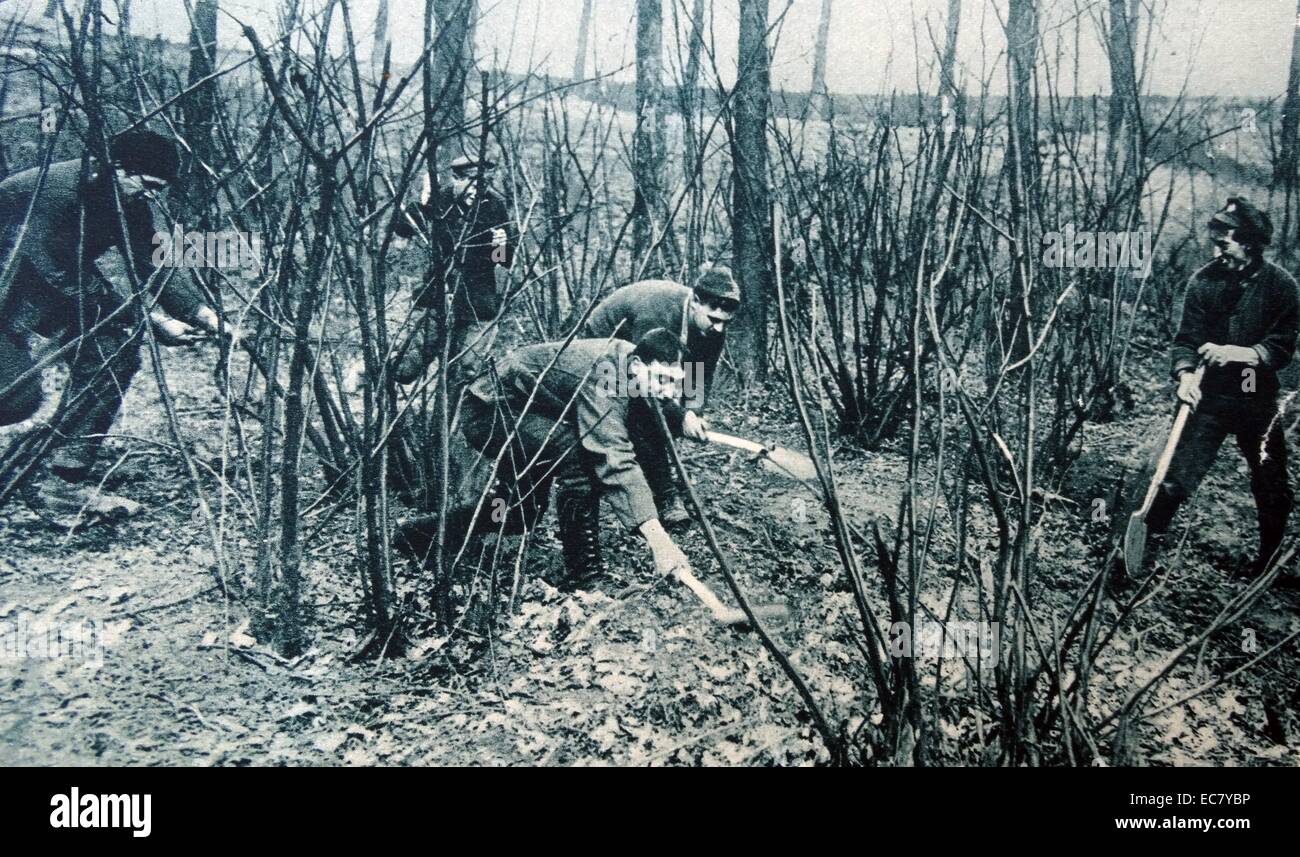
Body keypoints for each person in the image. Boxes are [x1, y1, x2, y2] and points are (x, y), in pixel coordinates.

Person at [0, 129, 221, 516]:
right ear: (117, 168)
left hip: (37, 294)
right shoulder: (52, 192)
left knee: (113, 350)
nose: (151, 197)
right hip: (21, 289)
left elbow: (153, 259)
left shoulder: (126, 198)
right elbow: (59, 275)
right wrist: (148, 319)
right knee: (17, 400)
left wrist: (202, 314)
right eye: (149, 185)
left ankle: (63, 480)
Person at [459, 328, 694, 589]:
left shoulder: (631, 361)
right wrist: (658, 540)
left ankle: (417, 534)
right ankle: (585, 577)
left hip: (530, 413)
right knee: (580, 458)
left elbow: (650, 404)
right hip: (489, 412)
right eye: (663, 379)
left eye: (676, 382)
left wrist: (682, 416)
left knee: (516, 512)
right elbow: (614, 458)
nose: (668, 392)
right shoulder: (605, 377)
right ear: (638, 365)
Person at [1144, 197, 1298, 580]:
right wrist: (1184, 375)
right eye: (1216, 243)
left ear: (1249, 243)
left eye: (1224, 243)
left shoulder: (1282, 286)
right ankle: (1144, 547)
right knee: (1178, 474)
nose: (1217, 251)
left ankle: (1269, 562)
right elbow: (1185, 340)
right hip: (1209, 397)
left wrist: (1240, 353)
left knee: (1270, 480)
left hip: (1257, 396)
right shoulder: (1204, 282)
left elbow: (1281, 348)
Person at [584, 267, 740, 526]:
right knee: (640, 414)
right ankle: (664, 495)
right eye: (713, 319)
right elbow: (646, 384)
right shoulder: (658, 312)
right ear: (695, 302)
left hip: (642, 356)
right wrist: (676, 415)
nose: (720, 328)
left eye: (726, 322)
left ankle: (654, 479)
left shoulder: (712, 329)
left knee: (663, 412)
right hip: (605, 344)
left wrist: (692, 412)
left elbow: (700, 375)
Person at [390, 153, 515, 390]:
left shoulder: (495, 205)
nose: (475, 191)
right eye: (469, 183)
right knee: (404, 368)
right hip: (436, 298)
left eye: (482, 184)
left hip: (478, 305)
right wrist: (421, 204)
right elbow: (402, 232)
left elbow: (503, 261)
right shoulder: (439, 200)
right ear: (455, 179)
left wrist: (501, 246)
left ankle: (451, 426)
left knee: (466, 377)